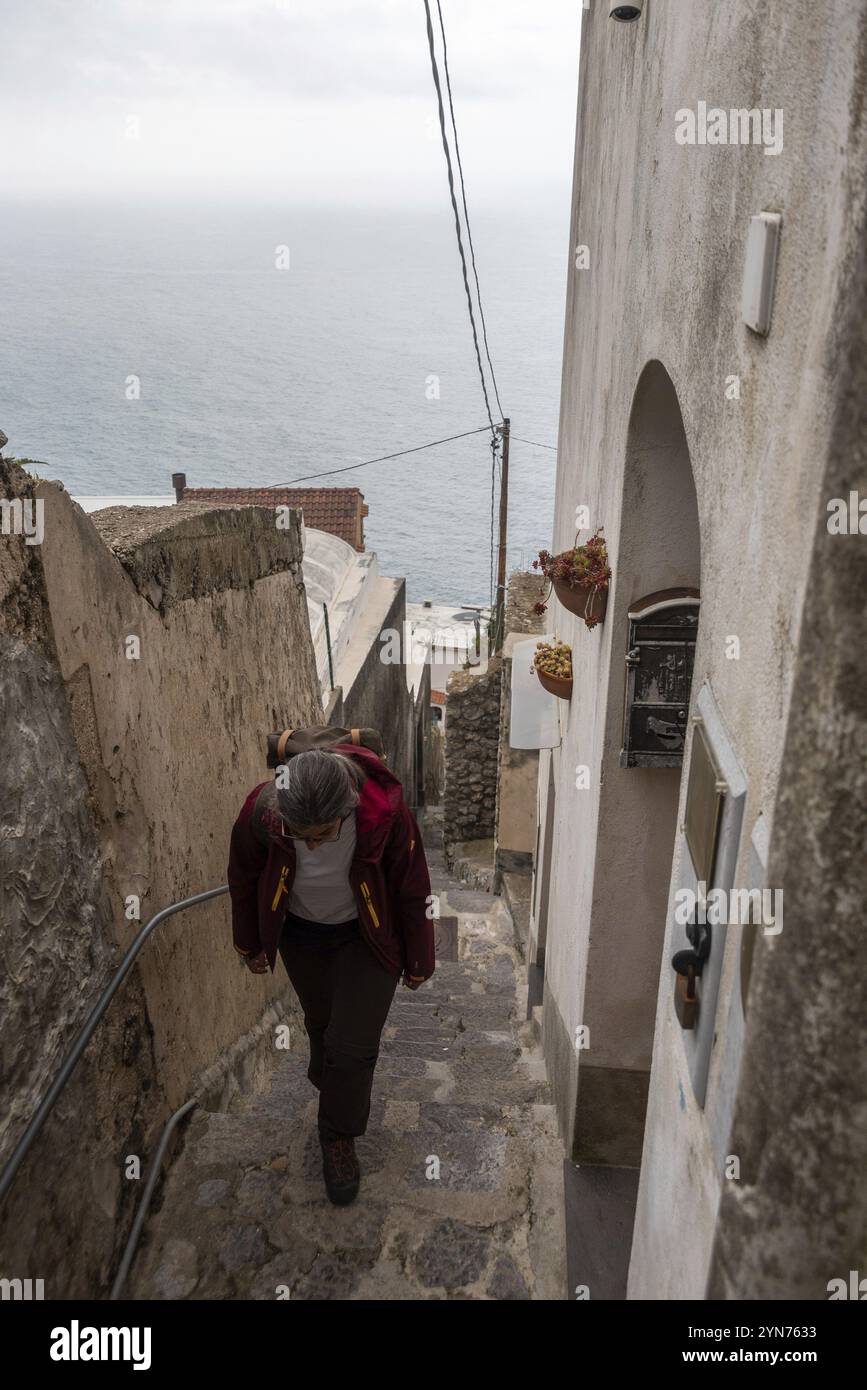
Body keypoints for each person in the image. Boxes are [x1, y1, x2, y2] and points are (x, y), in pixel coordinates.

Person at [227, 741, 435, 1205]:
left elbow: (412, 885)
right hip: (301, 936)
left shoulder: (385, 815)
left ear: (349, 808)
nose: (313, 844)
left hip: (369, 936)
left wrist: (420, 958)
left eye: (322, 833)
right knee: (321, 1025)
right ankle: (334, 1077)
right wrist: (250, 942)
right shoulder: (264, 812)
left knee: (351, 1045)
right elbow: (242, 876)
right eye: (302, 837)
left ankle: (338, 1137)